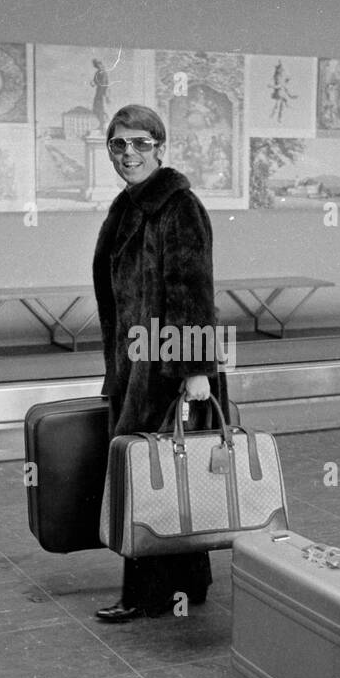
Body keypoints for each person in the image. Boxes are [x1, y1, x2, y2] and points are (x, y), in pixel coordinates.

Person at [92, 104, 230, 622]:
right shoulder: (127, 206)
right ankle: (188, 582)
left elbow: (192, 288)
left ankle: (147, 594)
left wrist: (196, 370)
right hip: (135, 362)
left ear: (160, 148)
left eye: (140, 144)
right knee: (171, 470)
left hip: (167, 365)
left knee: (146, 472)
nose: (129, 154)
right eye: (119, 145)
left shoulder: (178, 206)